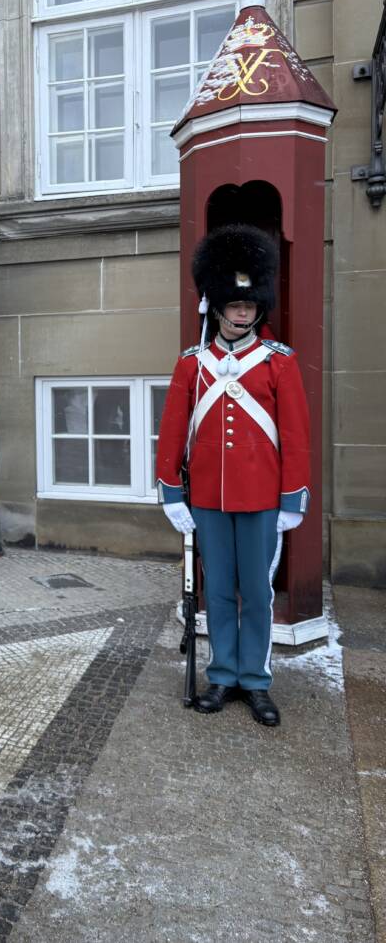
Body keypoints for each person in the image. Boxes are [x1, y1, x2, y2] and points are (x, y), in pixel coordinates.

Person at [155, 224, 310, 728]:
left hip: (263, 498)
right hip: (208, 501)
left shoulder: (279, 364)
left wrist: (291, 498)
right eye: (232, 305)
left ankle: (256, 681)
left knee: (258, 592)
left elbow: (296, 435)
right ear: (216, 306)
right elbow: (173, 430)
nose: (241, 313)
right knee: (217, 590)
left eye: (248, 306)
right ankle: (222, 673)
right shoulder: (192, 365)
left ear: (258, 307)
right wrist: (172, 493)